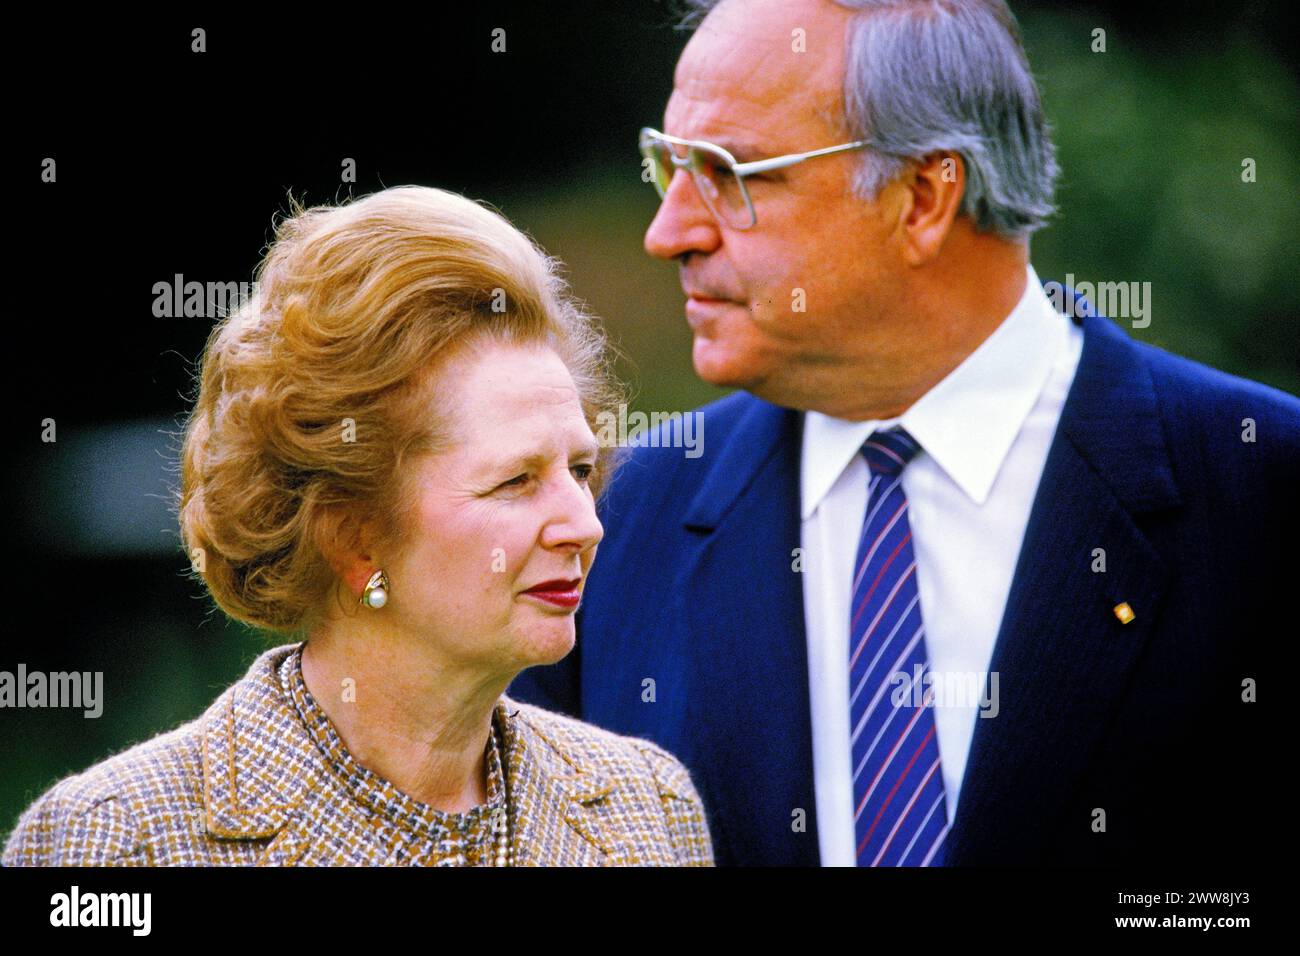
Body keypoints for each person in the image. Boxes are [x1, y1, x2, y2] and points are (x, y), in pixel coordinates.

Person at [510, 0, 1297, 865]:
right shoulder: (614, 515)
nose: (669, 233)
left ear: (923, 196)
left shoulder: (1258, 480)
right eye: (670, 167)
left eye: (730, 173)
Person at [2, 186, 713, 867]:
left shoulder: (647, 810)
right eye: (515, 481)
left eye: (580, 471)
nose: (584, 525)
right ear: (352, 537)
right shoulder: (118, 841)